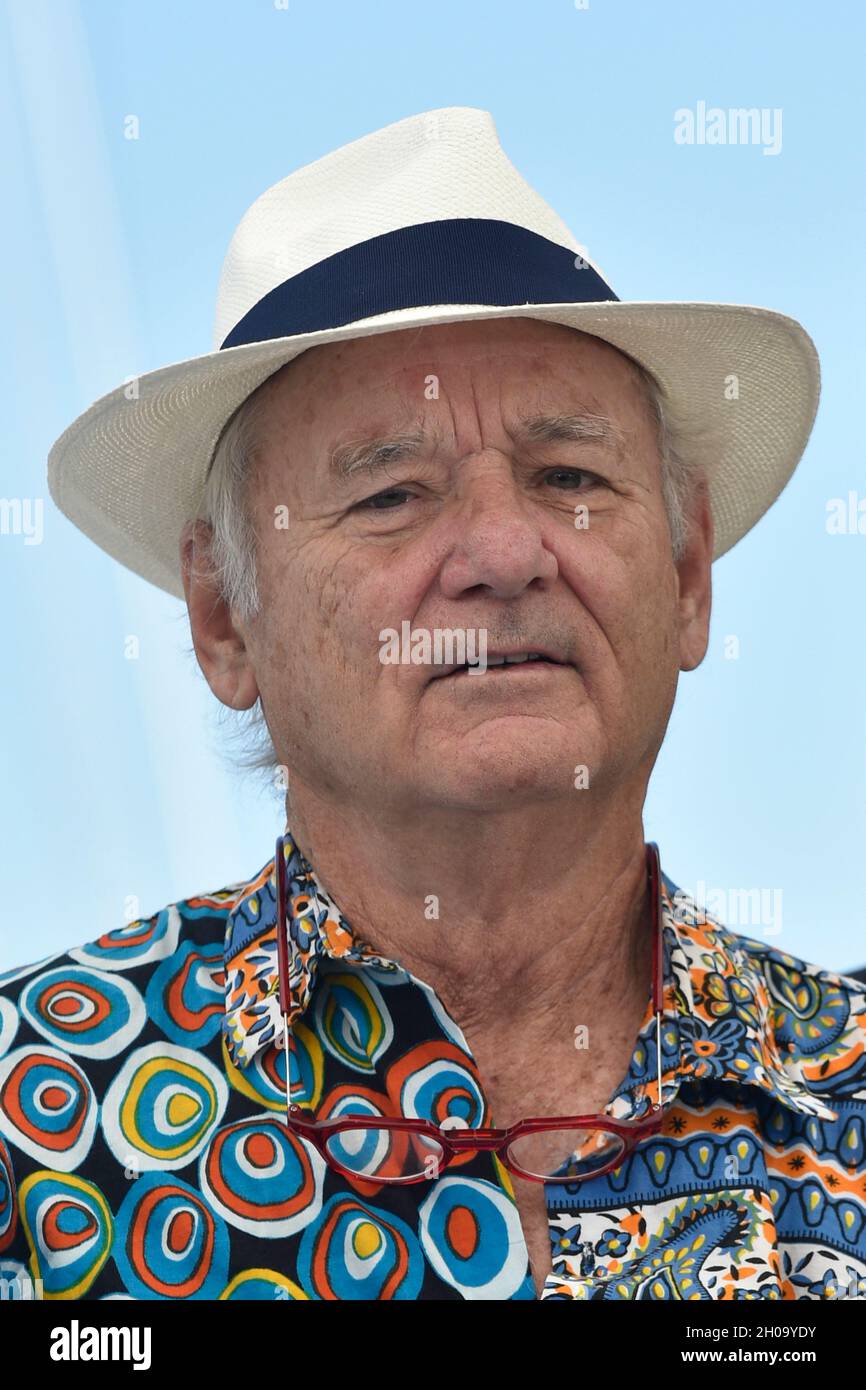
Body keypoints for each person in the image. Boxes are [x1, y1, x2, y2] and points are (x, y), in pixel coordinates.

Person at [2, 106, 864, 1302]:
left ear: (683, 574)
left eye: (569, 477)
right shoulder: (29, 1122)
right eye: (392, 495)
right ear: (221, 617)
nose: (505, 551)